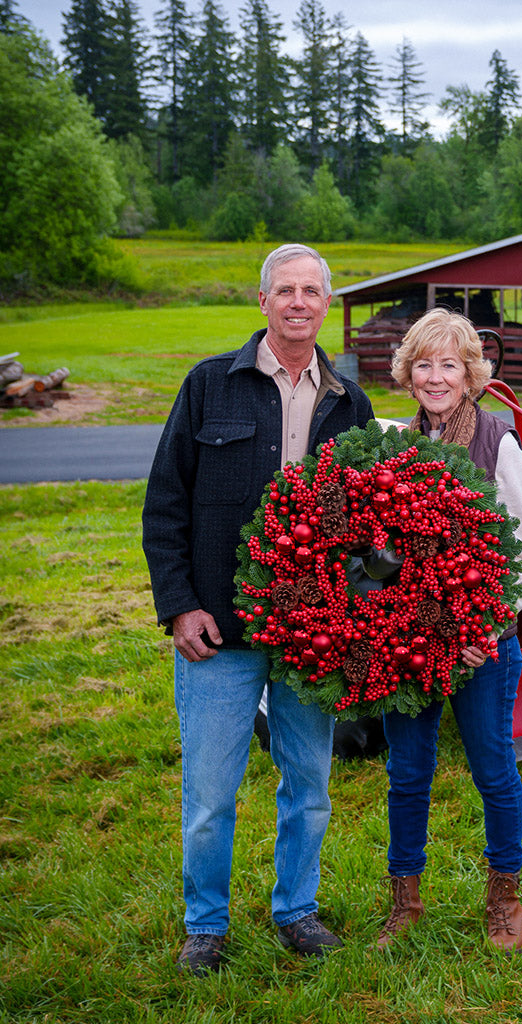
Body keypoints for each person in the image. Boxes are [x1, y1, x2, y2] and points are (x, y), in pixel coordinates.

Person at [142, 243, 374, 976]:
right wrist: (180, 606)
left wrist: (355, 618)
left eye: (312, 290)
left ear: (327, 304)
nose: (298, 301)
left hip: (312, 633)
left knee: (309, 785)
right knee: (210, 792)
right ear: (264, 301)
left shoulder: (350, 402)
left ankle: (296, 912)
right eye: (286, 290)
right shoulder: (211, 386)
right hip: (222, 629)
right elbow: (165, 503)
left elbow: (371, 524)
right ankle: (204, 925)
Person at [376, 306, 522, 954]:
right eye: (423, 364)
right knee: (407, 773)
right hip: (410, 644)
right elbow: (373, 548)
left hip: (481, 644)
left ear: (469, 373)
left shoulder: (497, 442)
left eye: (448, 364)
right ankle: (405, 902)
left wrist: (490, 622)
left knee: (493, 769)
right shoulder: (392, 443)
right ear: (408, 373)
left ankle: (504, 900)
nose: (435, 376)